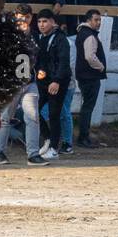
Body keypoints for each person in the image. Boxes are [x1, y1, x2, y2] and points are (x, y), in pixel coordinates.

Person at [0, 6, 41, 165]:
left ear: (30, 18)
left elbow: (37, 53)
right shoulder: (7, 34)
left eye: (26, 17)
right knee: (5, 118)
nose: (23, 20)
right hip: (11, 83)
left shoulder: (34, 35)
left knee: (33, 117)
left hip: (28, 81)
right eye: (20, 17)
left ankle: (33, 154)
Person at [33, 9, 69, 164]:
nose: (42, 25)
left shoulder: (61, 39)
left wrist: (56, 81)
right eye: (39, 21)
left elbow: (63, 62)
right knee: (34, 110)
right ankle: (47, 138)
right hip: (43, 82)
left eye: (45, 21)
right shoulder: (41, 38)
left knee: (54, 114)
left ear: (53, 22)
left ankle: (54, 148)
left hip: (57, 82)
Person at [74, 9, 107, 148]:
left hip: (84, 75)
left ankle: (83, 136)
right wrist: (101, 67)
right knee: (88, 108)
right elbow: (90, 57)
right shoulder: (89, 35)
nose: (98, 23)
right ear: (88, 20)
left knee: (86, 107)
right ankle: (83, 137)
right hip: (90, 76)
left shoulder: (82, 33)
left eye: (99, 20)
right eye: (96, 20)